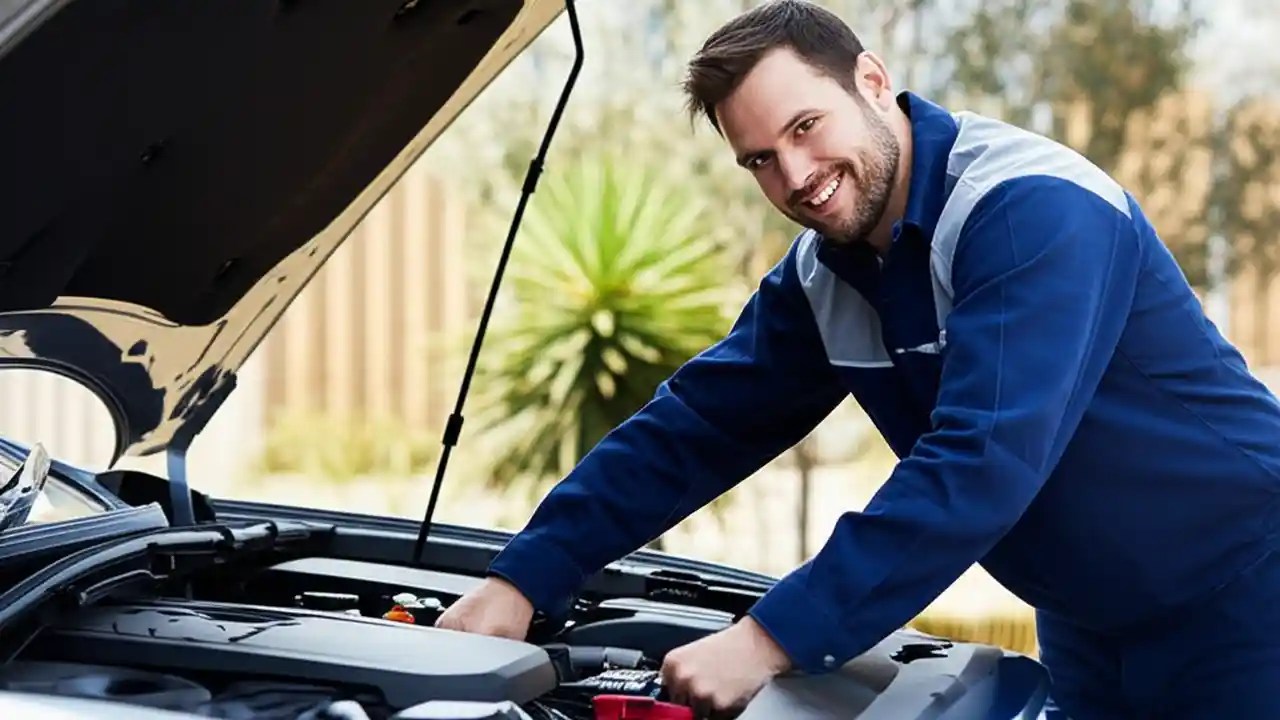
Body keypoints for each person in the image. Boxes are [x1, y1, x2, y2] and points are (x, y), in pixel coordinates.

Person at [437, 1, 1280, 717]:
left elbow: (981, 463)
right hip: (1087, 618)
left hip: (1245, 594)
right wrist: (523, 578)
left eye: (806, 127)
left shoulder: (1030, 210)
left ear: (872, 83)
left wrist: (769, 639)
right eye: (760, 159)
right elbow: (691, 431)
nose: (796, 176)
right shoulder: (829, 274)